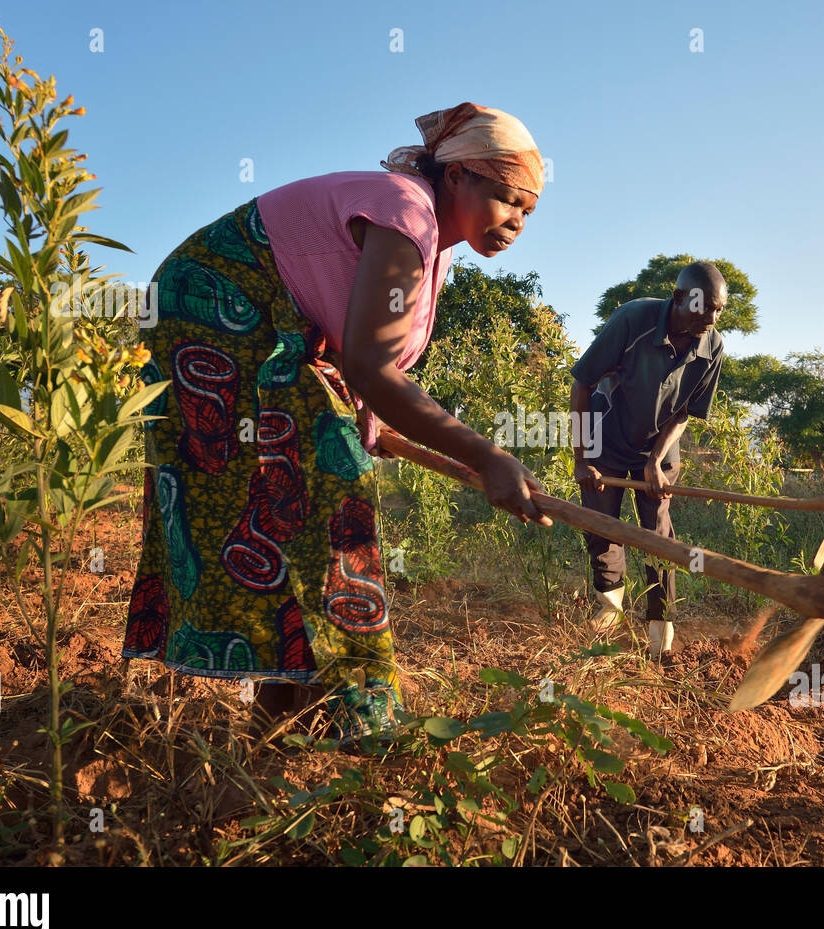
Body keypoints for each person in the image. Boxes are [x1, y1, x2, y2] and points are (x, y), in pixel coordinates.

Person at [123, 103, 550, 748]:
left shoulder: (428, 239)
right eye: (507, 198)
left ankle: (286, 716)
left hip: (263, 325)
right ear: (458, 176)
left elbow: (355, 359)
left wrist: (372, 422)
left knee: (308, 490)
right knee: (326, 493)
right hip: (213, 308)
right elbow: (372, 367)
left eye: (529, 209)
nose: (517, 220)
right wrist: (489, 455)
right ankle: (349, 714)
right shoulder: (406, 213)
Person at [570, 262, 727, 658]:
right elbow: (583, 383)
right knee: (602, 527)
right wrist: (582, 457)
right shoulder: (632, 319)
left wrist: (655, 461)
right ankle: (608, 615)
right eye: (703, 307)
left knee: (659, 537)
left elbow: (685, 413)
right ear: (678, 298)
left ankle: (661, 634)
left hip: (659, 446)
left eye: (719, 310)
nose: (711, 318)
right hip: (605, 440)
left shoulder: (712, 346)